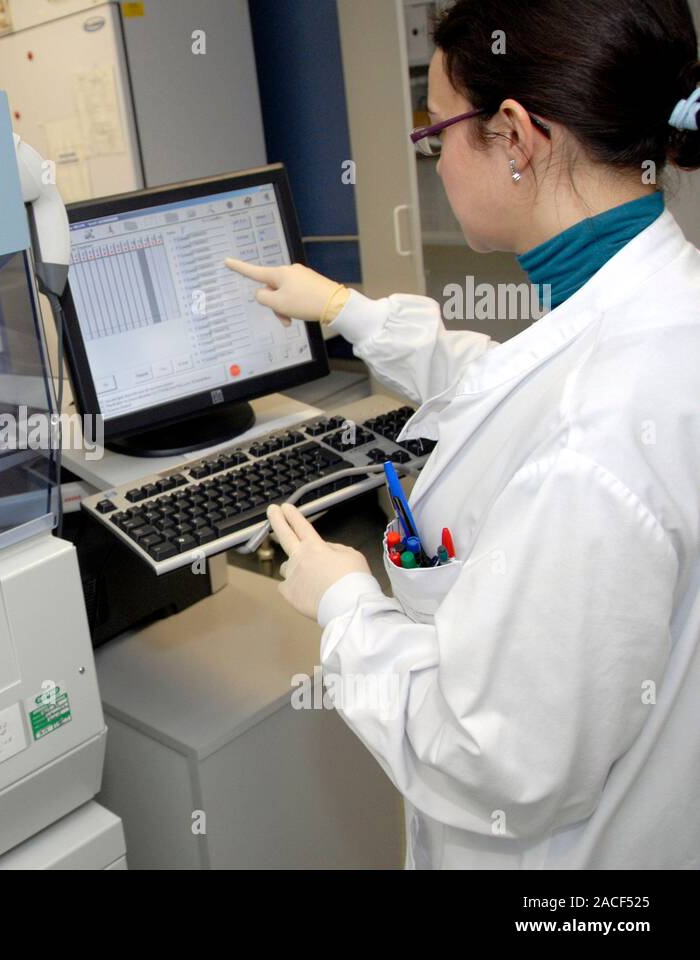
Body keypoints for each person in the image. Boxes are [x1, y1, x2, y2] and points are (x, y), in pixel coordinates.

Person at [226, 0, 700, 868]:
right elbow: (509, 384)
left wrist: (345, 604)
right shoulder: (663, 303)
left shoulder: (592, 447)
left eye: (437, 131)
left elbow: (494, 765)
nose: (435, 159)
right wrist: (346, 309)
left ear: (515, 137)